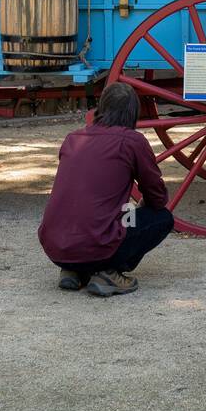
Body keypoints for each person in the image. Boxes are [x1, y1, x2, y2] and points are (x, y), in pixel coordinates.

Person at [38, 82, 173, 297]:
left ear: (101, 108)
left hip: (55, 247)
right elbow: (157, 197)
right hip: (97, 245)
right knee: (162, 218)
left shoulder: (73, 138)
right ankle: (107, 273)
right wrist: (142, 205)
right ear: (132, 113)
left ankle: (73, 271)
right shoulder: (132, 141)